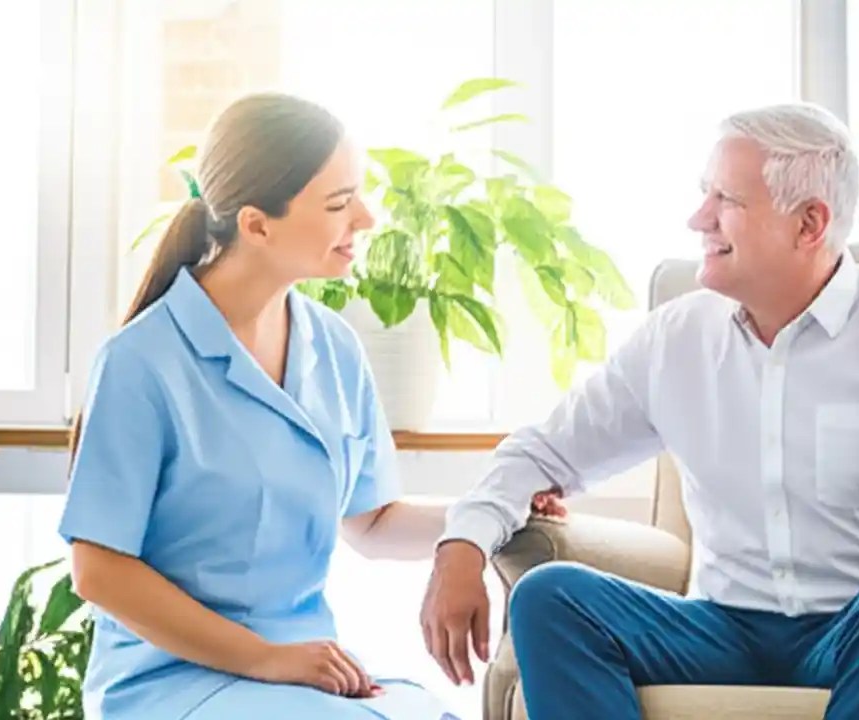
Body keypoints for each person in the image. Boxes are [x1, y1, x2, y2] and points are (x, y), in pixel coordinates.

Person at [420, 102, 859, 720]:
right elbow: (542, 451)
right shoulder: (675, 340)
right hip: (719, 627)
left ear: (810, 222)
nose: (697, 218)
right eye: (704, 193)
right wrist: (462, 544)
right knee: (549, 596)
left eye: (725, 200)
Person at [58, 92, 561, 720]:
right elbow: (98, 570)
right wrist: (266, 658)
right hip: (171, 681)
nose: (368, 218)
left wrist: (491, 509)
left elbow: (372, 523)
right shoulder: (141, 363)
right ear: (256, 224)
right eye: (338, 203)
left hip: (303, 674)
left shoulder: (334, 345)